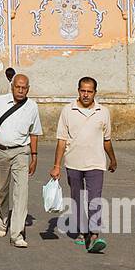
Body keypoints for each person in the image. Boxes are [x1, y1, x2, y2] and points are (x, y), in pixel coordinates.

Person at [50, 77, 116, 254]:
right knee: (77, 198)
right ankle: (81, 230)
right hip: (73, 162)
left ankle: (94, 234)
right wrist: (56, 165)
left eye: (90, 91)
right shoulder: (68, 111)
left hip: (96, 163)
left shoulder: (103, 112)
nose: (86, 94)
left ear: (95, 92)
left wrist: (113, 159)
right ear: (78, 91)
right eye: (83, 91)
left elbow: (107, 140)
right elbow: (61, 140)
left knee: (95, 198)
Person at [0, 73, 42, 248]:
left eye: (24, 88)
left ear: (28, 89)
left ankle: (17, 234)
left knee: (21, 192)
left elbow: (34, 133)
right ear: (12, 87)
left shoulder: (32, 107)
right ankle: (2, 222)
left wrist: (34, 156)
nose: (21, 90)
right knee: (0, 191)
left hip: (21, 153)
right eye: (18, 87)